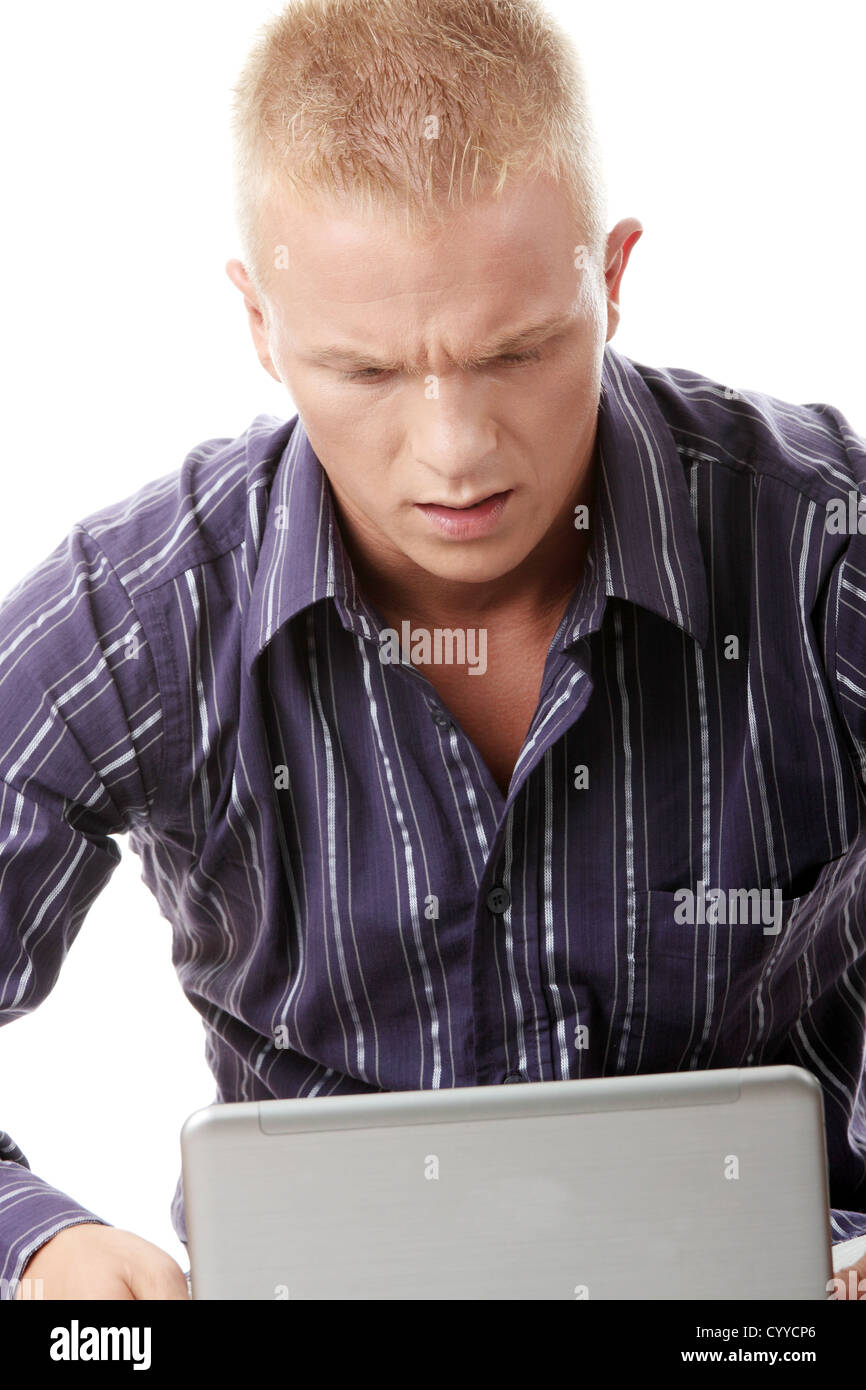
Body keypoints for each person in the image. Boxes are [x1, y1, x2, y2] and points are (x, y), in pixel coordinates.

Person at [4, 0, 866, 1300]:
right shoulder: (142, 606)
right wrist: (37, 1238)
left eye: (514, 351)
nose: (454, 449)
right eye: (364, 372)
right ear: (257, 323)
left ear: (610, 276)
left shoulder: (822, 544)